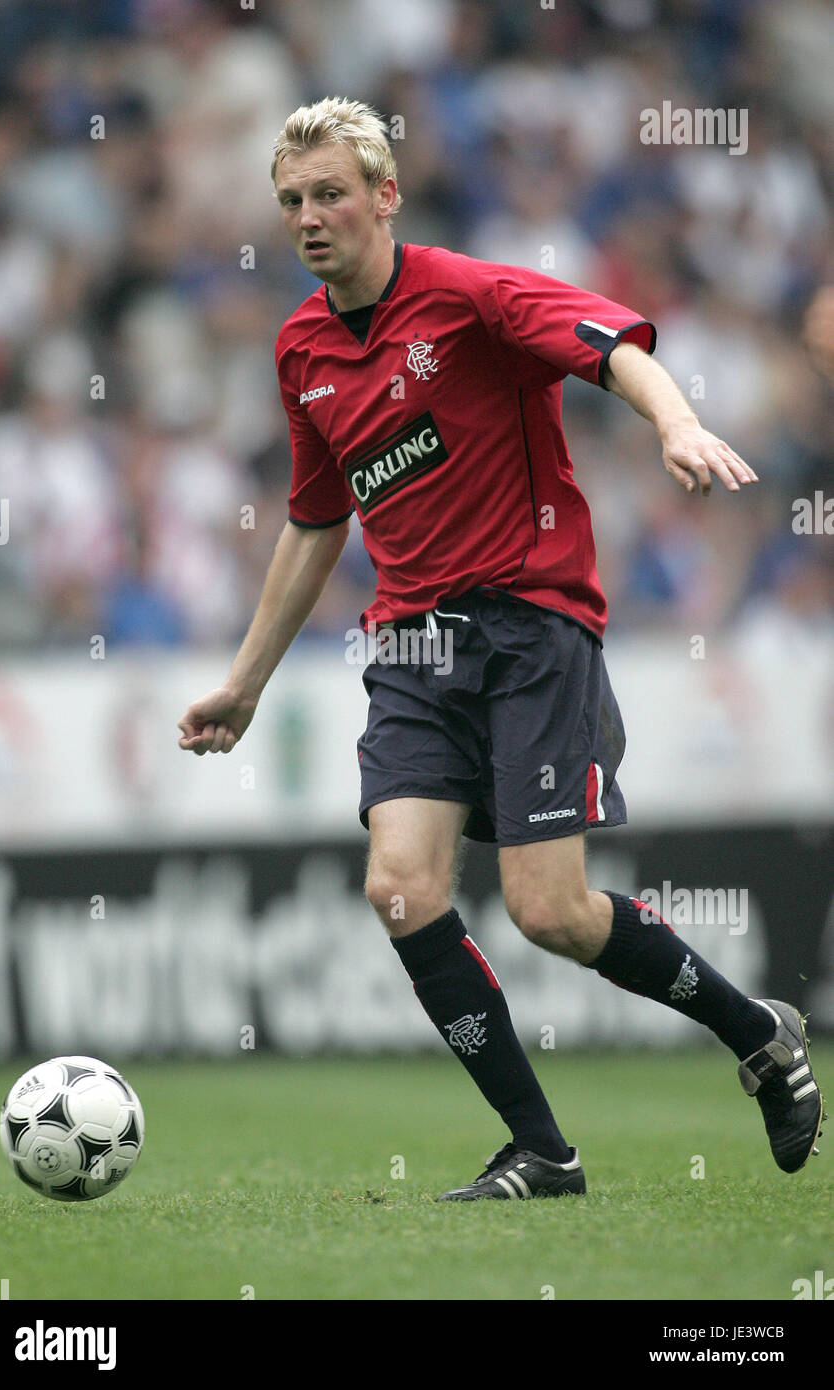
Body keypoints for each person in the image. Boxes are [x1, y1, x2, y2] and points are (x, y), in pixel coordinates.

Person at [177, 98, 824, 1200]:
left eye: (330, 193)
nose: (308, 217)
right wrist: (243, 685)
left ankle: (756, 1034)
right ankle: (544, 1151)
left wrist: (673, 423)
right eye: (290, 201)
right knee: (399, 888)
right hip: (409, 649)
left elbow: (612, 346)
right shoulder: (300, 351)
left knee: (550, 913)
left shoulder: (470, 296)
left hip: (529, 625)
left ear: (385, 195)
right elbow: (315, 520)